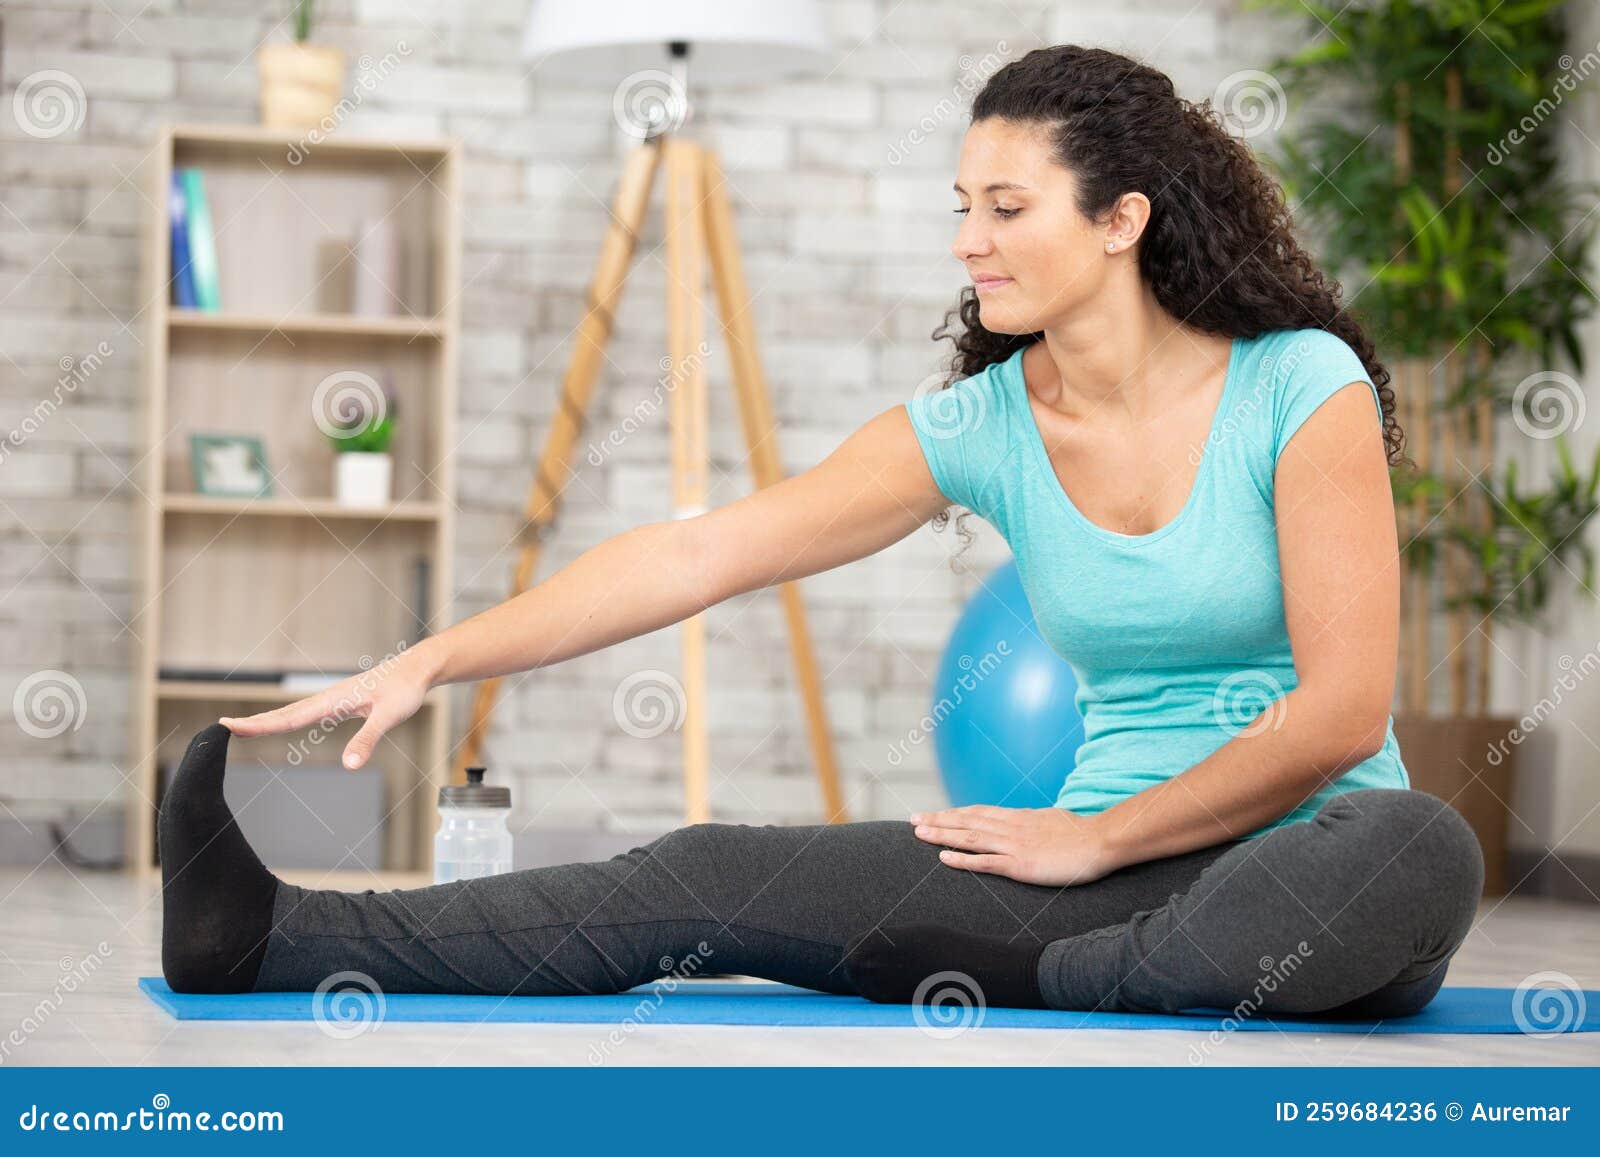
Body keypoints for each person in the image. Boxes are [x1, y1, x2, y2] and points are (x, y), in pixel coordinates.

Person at [160, 44, 1482, 1017]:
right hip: (1086, 877)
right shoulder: (986, 426)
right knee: (704, 867)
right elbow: (704, 548)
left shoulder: (1296, 382)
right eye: (962, 206)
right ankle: (275, 934)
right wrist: (437, 657)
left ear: (1122, 219)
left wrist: (1100, 834)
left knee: (1423, 845)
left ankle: (1066, 978)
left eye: (1007, 209)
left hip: (1305, 883)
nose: (970, 240)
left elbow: (1341, 712)